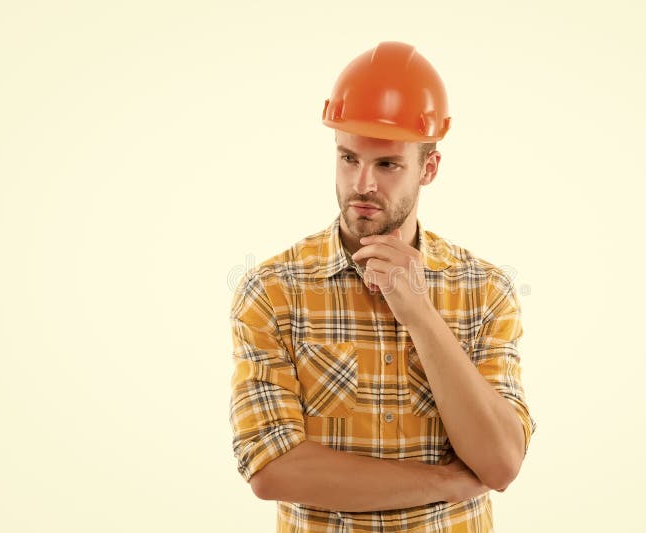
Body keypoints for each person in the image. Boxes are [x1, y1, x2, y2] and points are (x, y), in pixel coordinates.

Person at [229, 40, 536, 533]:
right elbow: (271, 467)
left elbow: (500, 463)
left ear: (428, 169)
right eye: (348, 158)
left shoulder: (485, 289)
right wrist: (445, 484)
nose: (362, 183)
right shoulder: (274, 289)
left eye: (387, 164)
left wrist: (421, 315)